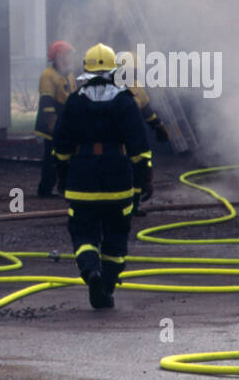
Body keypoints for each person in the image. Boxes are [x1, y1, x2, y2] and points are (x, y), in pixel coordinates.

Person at [52, 43, 153, 309]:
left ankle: (91, 271)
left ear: (85, 69)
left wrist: (62, 178)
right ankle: (107, 284)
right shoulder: (125, 101)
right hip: (116, 180)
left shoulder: (74, 101)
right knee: (116, 233)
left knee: (83, 231)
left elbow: (60, 147)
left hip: (82, 180)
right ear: (113, 70)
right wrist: (144, 179)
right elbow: (139, 146)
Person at [117, 50, 170, 216]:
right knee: (121, 172)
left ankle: (134, 205)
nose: (134, 72)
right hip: (119, 138)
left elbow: (146, 110)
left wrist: (158, 125)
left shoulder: (136, 86)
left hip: (136, 136)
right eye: (131, 69)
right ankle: (119, 206)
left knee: (140, 169)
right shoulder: (114, 87)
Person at [34, 40, 76, 197]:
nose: (70, 58)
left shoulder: (69, 75)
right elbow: (47, 102)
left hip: (65, 125)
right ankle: (45, 189)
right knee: (51, 159)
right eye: (67, 55)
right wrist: (52, 124)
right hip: (51, 125)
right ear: (58, 56)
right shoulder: (48, 76)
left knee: (67, 157)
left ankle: (64, 186)